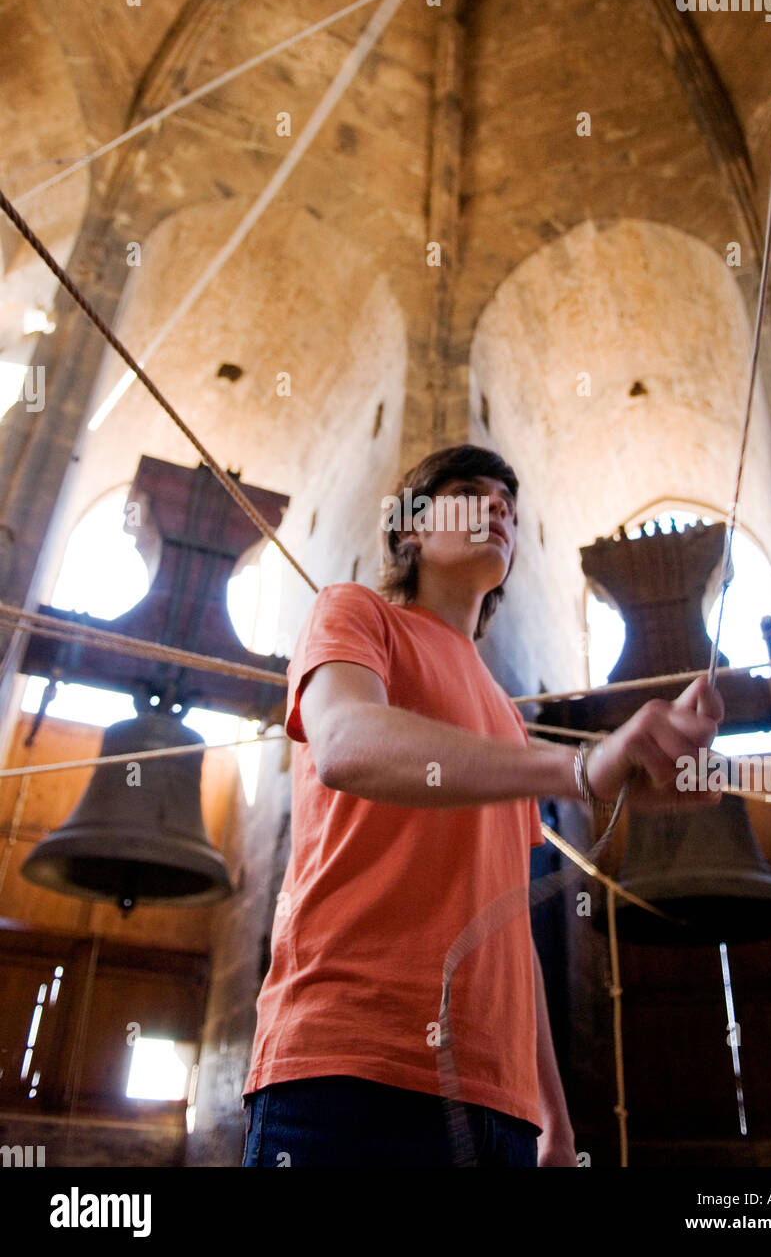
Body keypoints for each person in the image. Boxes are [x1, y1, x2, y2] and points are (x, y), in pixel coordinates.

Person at [241, 443, 724, 1167]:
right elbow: (344, 742)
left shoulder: (506, 717)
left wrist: (554, 1121)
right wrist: (586, 766)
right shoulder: (356, 613)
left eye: (509, 504)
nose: (498, 507)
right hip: (348, 1066)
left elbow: (507, 923)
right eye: (470, 491)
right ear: (408, 528)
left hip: (502, 1112)